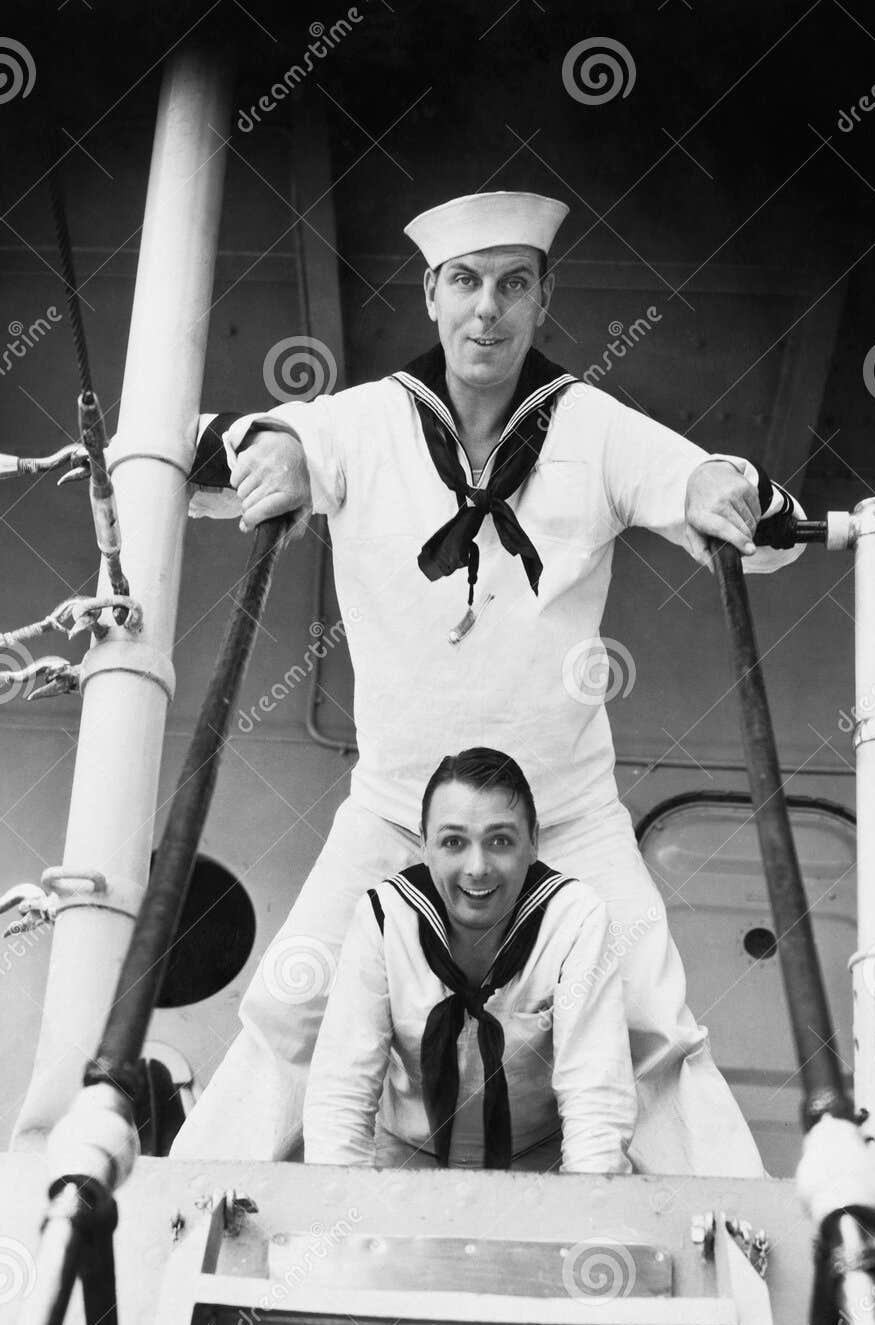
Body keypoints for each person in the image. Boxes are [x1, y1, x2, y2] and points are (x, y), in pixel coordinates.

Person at [174, 189, 805, 1176]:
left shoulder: (592, 427)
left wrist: (717, 489)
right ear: (429, 294)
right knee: (291, 1003)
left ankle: (745, 1243)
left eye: (513, 285)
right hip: (395, 808)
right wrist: (282, 454)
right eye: (465, 283)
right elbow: (239, 443)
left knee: (654, 1023)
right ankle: (169, 1227)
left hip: (565, 809)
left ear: (542, 300)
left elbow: (725, 499)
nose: (486, 310)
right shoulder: (366, 422)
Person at [304, 747, 635, 1175]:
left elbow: (596, 1094)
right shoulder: (384, 919)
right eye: (453, 842)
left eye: (500, 840)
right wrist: (339, 1212)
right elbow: (342, 1089)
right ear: (424, 844)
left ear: (533, 842)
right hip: (407, 1153)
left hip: (537, 1157)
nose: (477, 867)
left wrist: (583, 1212)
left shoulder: (575, 921)